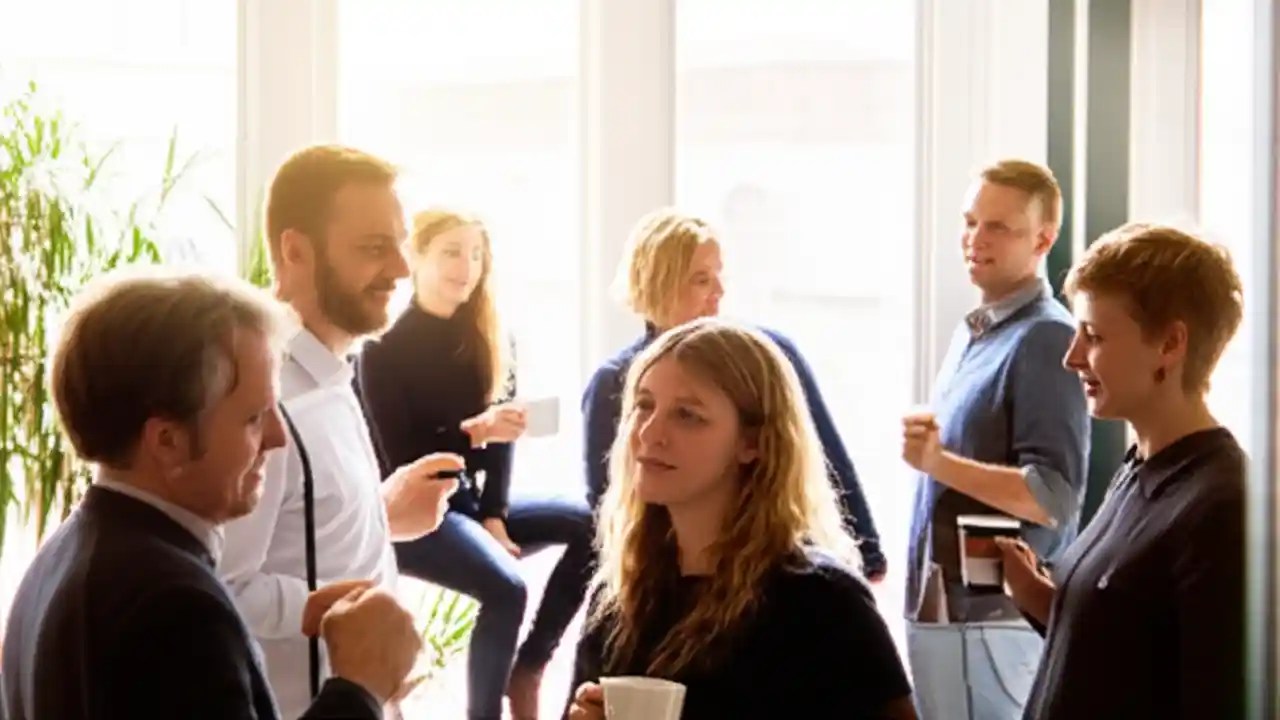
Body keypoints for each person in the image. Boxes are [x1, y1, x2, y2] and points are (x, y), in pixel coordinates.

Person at [1, 269, 422, 719]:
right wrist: (359, 686)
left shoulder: (69, 552)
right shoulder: (175, 606)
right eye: (254, 418)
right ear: (167, 442)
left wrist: (300, 610)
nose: (278, 438)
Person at [566, 319, 915, 719]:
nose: (649, 432)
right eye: (643, 405)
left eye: (687, 415)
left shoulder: (822, 602)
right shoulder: (618, 595)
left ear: (752, 443)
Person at [218, 145, 461, 718]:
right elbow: (220, 587)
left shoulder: (334, 369)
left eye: (399, 246)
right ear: (295, 251)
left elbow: (297, 526)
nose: (402, 270)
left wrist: (380, 512)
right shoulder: (264, 398)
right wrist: (329, 609)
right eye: (374, 249)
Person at [997, 223, 1246, 719]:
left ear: (1170, 344)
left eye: (1093, 335)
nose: (1072, 357)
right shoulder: (1138, 471)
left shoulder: (1222, 505)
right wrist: (1039, 597)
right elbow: (1127, 650)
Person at [358, 209, 594, 720]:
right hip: (413, 515)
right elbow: (403, 457)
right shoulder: (380, 352)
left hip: (468, 505)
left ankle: (528, 669)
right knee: (506, 588)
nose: (465, 265)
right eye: (450, 251)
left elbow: (504, 439)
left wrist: (496, 515)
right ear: (416, 257)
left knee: (592, 524)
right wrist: (473, 431)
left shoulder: (491, 338)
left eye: (475, 254)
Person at [582, 207, 888, 580]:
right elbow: (609, 506)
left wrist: (868, 554)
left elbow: (826, 454)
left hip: (769, 561)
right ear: (659, 283)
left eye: (718, 275)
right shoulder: (613, 382)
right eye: (701, 279)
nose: (719, 291)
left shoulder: (764, 359)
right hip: (663, 575)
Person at [900, 158, 1090, 719]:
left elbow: (1053, 497)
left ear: (1043, 239)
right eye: (970, 221)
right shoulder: (976, 333)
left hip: (989, 626)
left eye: (997, 227)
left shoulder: (1047, 337)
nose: (975, 239)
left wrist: (937, 461)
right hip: (946, 618)